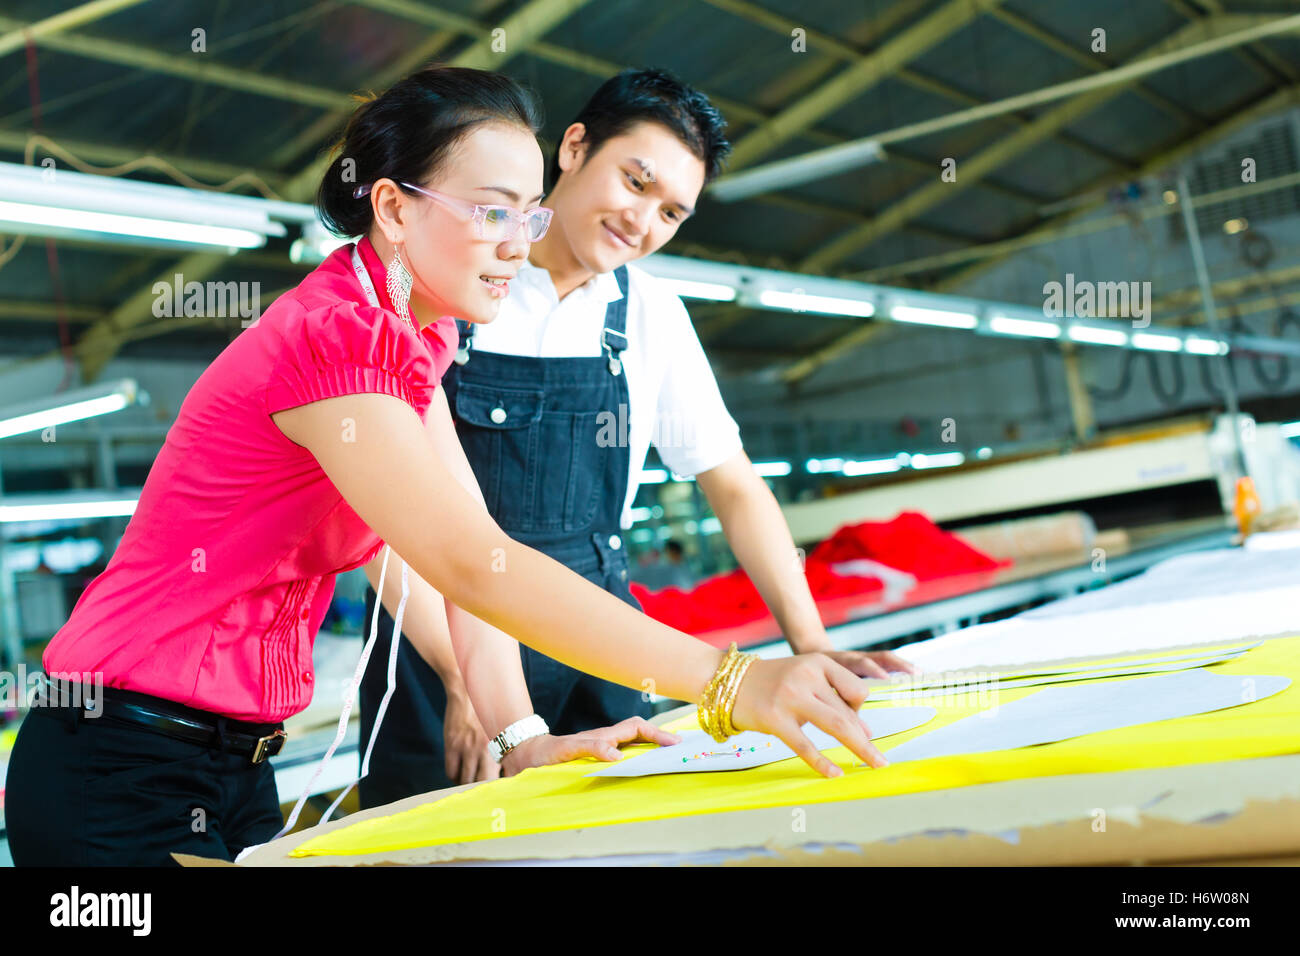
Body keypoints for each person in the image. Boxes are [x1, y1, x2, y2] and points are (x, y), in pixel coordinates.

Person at [4, 66, 888, 867]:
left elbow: (480, 565)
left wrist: (519, 736)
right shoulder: (335, 339)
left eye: (528, 213)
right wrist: (734, 679)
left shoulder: (413, 339)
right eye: (492, 210)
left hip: (235, 762)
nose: (518, 243)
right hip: (118, 761)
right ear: (392, 208)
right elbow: (467, 562)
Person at [357, 68, 916, 809]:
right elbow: (384, 522)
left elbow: (736, 486)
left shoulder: (650, 315)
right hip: (437, 651)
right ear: (575, 147)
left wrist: (809, 644)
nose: (641, 219)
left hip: (598, 641)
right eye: (635, 180)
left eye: (671, 211)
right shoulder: (445, 288)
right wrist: (465, 685)